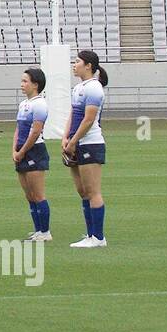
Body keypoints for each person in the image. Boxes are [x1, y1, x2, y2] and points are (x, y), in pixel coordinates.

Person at [65, 49, 109, 248]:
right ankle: (90, 234)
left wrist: (73, 141)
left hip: (90, 143)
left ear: (88, 65)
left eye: (77, 62)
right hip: (77, 143)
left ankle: (98, 237)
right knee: (83, 192)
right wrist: (65, 138)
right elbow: (73, 115)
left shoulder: (94, 88)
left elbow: (89, 119)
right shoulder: (78, 88)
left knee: (93, 191)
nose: (74, 65)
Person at [14, 67, 52, 242]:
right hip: (22, 151)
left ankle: (45, 232)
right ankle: (38, 230)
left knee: (37, 194)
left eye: (25, 81)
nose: (22, 85)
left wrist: (21, 151)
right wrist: (14, 149)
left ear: (35, 85)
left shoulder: (40, 104)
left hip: (34, 151)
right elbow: (18, 129)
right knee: (29, 195)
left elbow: (36, 132)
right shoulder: (24, 104)